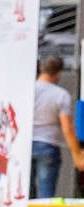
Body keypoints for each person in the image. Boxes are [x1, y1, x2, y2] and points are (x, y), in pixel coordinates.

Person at [32, 55, 84, 198]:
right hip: (48, 145)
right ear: (58, 72)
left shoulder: (27, 91)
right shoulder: (61, 95)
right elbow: (67, 127)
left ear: (42, 69)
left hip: (25, 145)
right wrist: (77, 154)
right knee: (46, 195)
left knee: (24, 193)